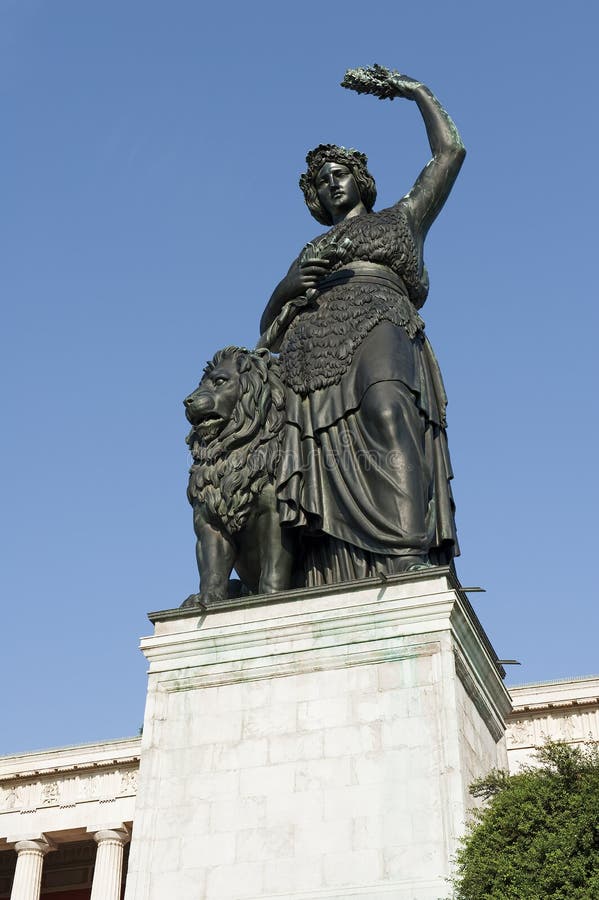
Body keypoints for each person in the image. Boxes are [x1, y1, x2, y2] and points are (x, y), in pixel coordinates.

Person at [259, 66, 465, 587]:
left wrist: (413, 90)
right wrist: (284, 288)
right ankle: (324, 566)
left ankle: (405, 553)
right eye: (322, 181)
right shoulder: (310, 251)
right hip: (312, 349)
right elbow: (269, 333)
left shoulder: (402, 219)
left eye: (339, 173)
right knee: (309, 452)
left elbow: (450, 154)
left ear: (361, 178)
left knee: (389, 408)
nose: (332, 184)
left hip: (381, 318)